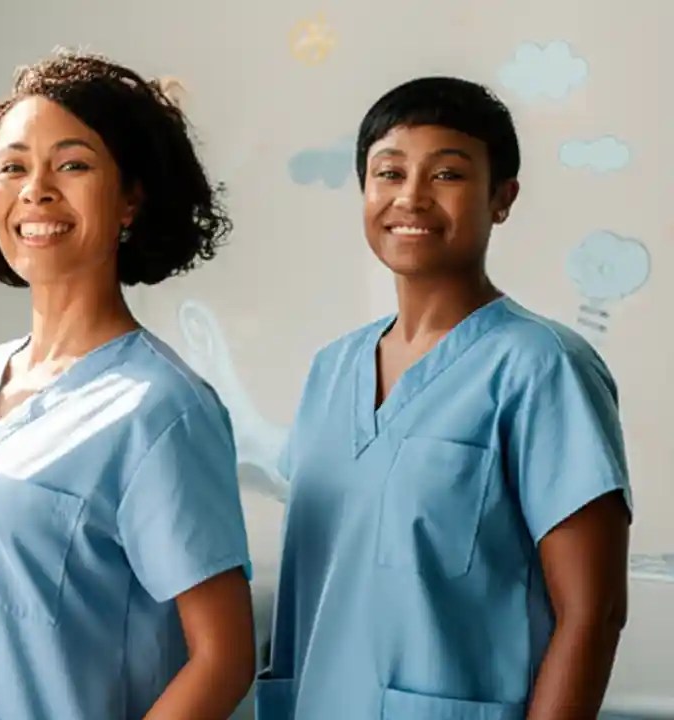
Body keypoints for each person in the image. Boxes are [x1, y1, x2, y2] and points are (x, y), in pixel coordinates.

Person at [0, 50, 256, 720]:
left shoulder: (161, 410)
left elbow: (223, 658)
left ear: (130, 198)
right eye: (14, 167)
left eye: (73, 164)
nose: (36, 189)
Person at [257, 76, 632, 720]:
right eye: (389, 172)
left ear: (502, 197)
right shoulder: (331, 370)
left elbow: (592, 612)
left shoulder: (542, 367)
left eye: (448, 175)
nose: (412, 197)